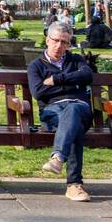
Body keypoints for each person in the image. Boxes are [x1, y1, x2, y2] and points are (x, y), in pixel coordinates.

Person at [27, 21, 94, 202]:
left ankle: (58, 158)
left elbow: (87, 76)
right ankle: (74, 185)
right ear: (47, 39)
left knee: (73, 109)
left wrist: (57, 80)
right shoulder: (36, 66)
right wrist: (72, 84)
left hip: (80, 108)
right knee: (74, 127)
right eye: (56, 40)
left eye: (64, 42)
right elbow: (38, 92)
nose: (59, 45)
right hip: (52, 112)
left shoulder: (76, 60)